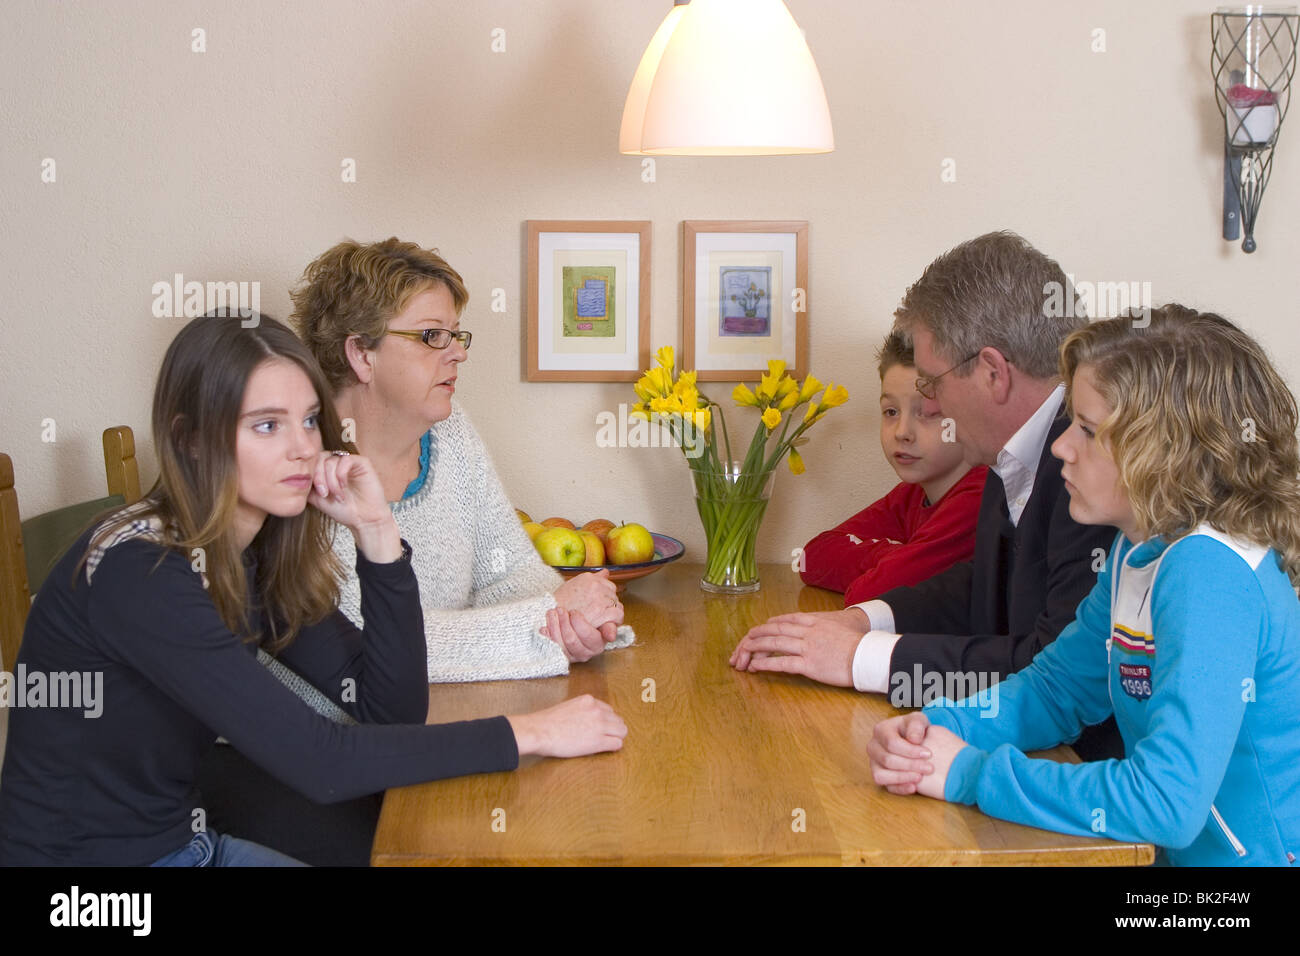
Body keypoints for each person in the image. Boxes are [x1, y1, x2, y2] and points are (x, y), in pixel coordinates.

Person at [0, 315, 626, 866]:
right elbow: (323, 763)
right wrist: (532, 734)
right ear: (191, 438)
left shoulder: (252, 554)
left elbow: (386, 708)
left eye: (306, 421)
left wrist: (379, 534)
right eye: (267, 425)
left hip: (188, 848)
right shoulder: (144, 572)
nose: (302, 448)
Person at [197, 238, 629, 865]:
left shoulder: (450, 431)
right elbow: (367, 667)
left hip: (397, 735)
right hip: (290, 767)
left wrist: (568, 618)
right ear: (360, 354)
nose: (455, 353)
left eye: (458, 336)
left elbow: (506, 570)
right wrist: (544, 630)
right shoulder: (292, 487)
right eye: (431, 336)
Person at [867, 306, 1300, 866]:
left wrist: (971, 773)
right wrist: (936, 730)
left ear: (1164, 449)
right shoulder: (1138, 547)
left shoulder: (1210, 575)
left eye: (1089, 431)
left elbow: (1166, 803)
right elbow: (1057, 689)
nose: (1061, 447)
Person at [731, 231, 1121, 760]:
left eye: (932, 386)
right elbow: (980, 586)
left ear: (992, 374)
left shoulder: (1090, 470)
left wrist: (861, 659)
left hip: (1082, 778)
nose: (930, 402)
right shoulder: (1011, 451)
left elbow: (1046, 667)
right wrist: (862, 621)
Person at [798, 329, 986, 605]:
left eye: (927, 413)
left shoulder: (981, 495)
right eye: (891, 412)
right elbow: (810, 557)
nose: (902, 432)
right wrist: (901, 555)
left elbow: (872, 592)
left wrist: (895, 561)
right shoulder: (911, 494)